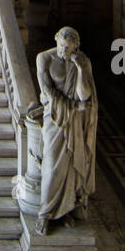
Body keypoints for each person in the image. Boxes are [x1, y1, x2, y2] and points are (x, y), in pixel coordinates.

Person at [33, 26, 97, 235]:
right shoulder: (44, 58)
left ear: (76, 47)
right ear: (56, 40)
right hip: (55, 118)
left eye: (68, 47)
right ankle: (45, 213)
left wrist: (79, 69)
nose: (63, 50)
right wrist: (72, 107)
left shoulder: (81, 62)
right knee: (52, 166)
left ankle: (65, 210)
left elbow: (84, 95)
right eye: (61, 45)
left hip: (73, 122)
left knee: (71, 166)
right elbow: (47, 91)